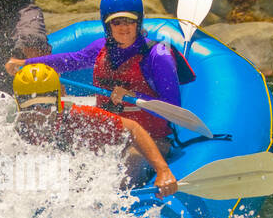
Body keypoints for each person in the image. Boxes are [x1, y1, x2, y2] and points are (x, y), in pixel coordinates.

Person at [6, 0, 184, 152]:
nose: (124, 27)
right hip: (109, 133)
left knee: (125, 173)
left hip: (150, 140)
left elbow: (173, 108)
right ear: (107, 25)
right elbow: (70, 60)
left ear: (139, 21)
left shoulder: (157, 56)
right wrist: (26, 63)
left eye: (130, 20)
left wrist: (134, 97)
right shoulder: (102, 48)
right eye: (117, 22)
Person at [10, 63, 177, 197]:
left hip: (91, 173)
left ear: (59, 98)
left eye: (46, 105)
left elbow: (133, 129)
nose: (40, 112)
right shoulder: (13, 129)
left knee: (135, 159)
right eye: (31, 107)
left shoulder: (78, 116)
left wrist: (163, 171)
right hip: (57, 180)